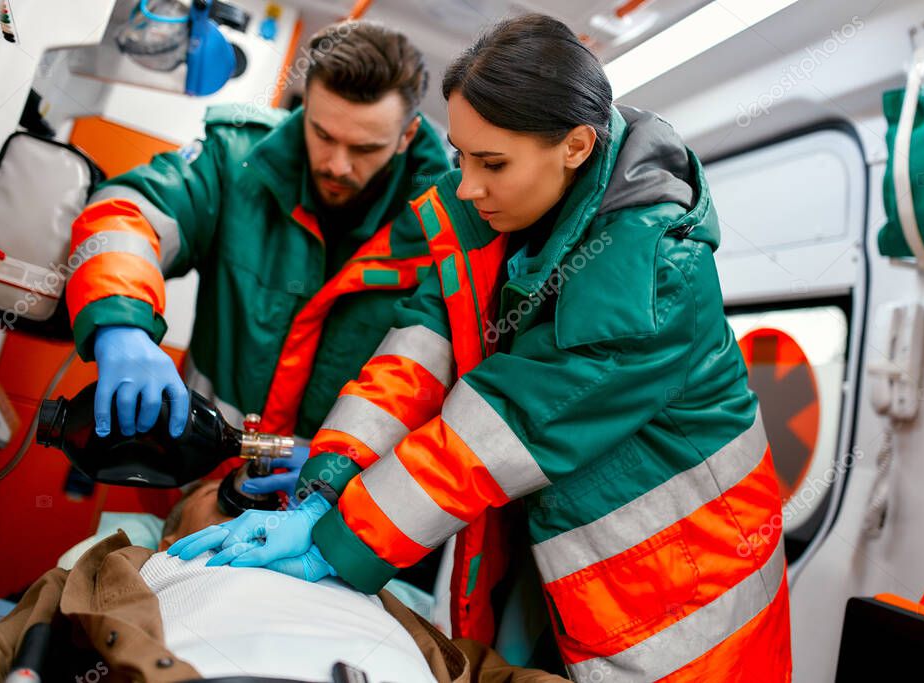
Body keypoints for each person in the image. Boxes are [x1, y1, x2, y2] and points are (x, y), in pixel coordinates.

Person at [171, 14, 793, 682]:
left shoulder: (653, 274)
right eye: (462, 155)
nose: (465, 185)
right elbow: (408, 360)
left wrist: (335, 541)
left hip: (680, 599)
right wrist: (325, 485)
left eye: (491, 163)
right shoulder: (491, 217)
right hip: (556, 552)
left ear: (577, 146)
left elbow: (496, 431)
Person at [64, 21, 452, 477]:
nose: (337, 164)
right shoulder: (235, 160)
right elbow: (128, 212)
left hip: (335, 504)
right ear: (305, 107)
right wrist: (119, 321)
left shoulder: (447, 231)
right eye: (323, 135)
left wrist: (345, 467)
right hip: (199, 473)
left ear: (406, 137)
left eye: (365, 147)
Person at [0, 480, 567, 681]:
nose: (253, 517)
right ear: (168, 537)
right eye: (223, 499)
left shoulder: (378, 595)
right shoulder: (131, 567)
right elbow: (8, 642)